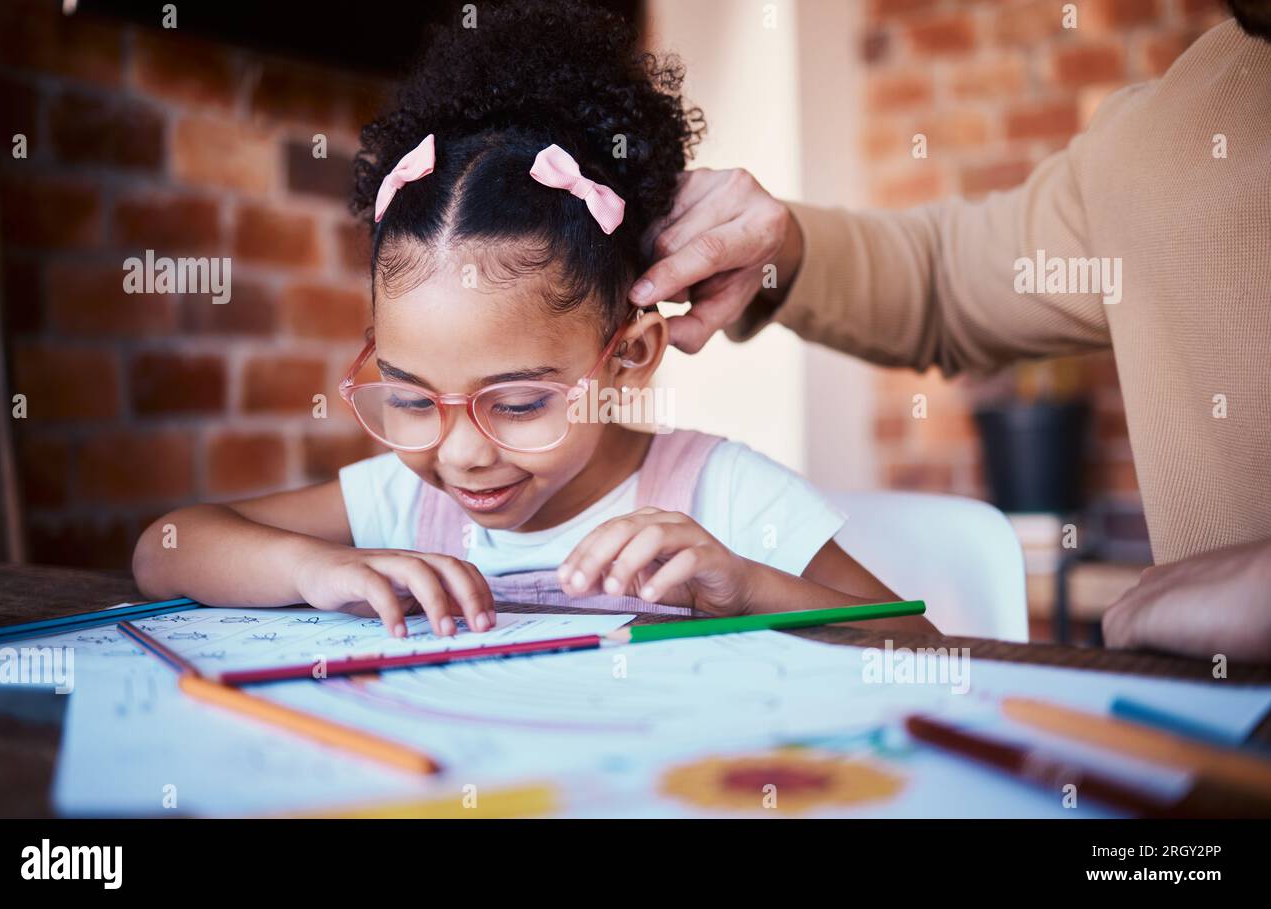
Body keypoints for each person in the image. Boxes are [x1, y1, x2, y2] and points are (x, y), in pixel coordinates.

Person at [132, 1, 933, 638]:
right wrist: (312, 570)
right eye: (411, 398)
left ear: (634, 354)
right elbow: (164, 549)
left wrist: (748, 586)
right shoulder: (411, 502)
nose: (462, 453)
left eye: (517, 403)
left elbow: (925, 651)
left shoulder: (716, 495)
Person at [627, 9, 1271, 661]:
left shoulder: (728, 489)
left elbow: (910, 639)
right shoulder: (1181, 123)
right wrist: (781, 247)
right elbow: (944, 277)